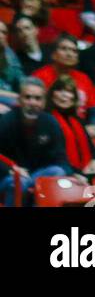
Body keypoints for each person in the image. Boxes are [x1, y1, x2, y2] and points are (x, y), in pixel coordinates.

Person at [0, 78, 69, 206]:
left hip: (36, 174)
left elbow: (60, 158)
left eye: (37, 98)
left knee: (58, 172)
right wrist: (11, 169)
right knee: (19, 182)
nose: (32, 102)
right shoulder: (5, 121)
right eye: (28, 97)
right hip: (8, 175)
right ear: (20, 100)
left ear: (43, 102)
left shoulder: (50, 122)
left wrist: (75, 175)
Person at [47, 78, 95, 179]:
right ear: (52, 94)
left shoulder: (77, 120)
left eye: (69, 91)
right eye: (59, 90)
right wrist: (77, 172)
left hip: (86, 170)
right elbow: (54, 155)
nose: (64, 95)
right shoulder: (47, 120)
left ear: (74, 98)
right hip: (65, 172)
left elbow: (91, 147)